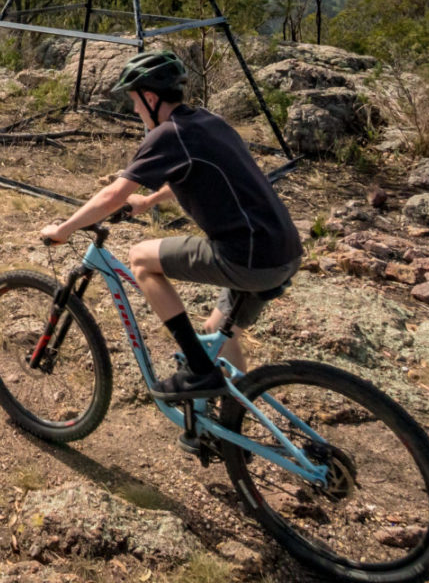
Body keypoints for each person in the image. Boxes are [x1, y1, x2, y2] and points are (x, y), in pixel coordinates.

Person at [37, 51, 302, 397]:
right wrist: (148, 201)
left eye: (135, 101)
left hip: (247, 257)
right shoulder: (207, 121)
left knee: (140, 258)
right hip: (284, 250)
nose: (135, 110)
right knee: (218, 332)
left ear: (151, 98)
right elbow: (193, 174)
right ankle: (231, 414)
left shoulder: (168, 134)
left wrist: (64, 229)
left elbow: (114, 194)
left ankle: (198, 370)